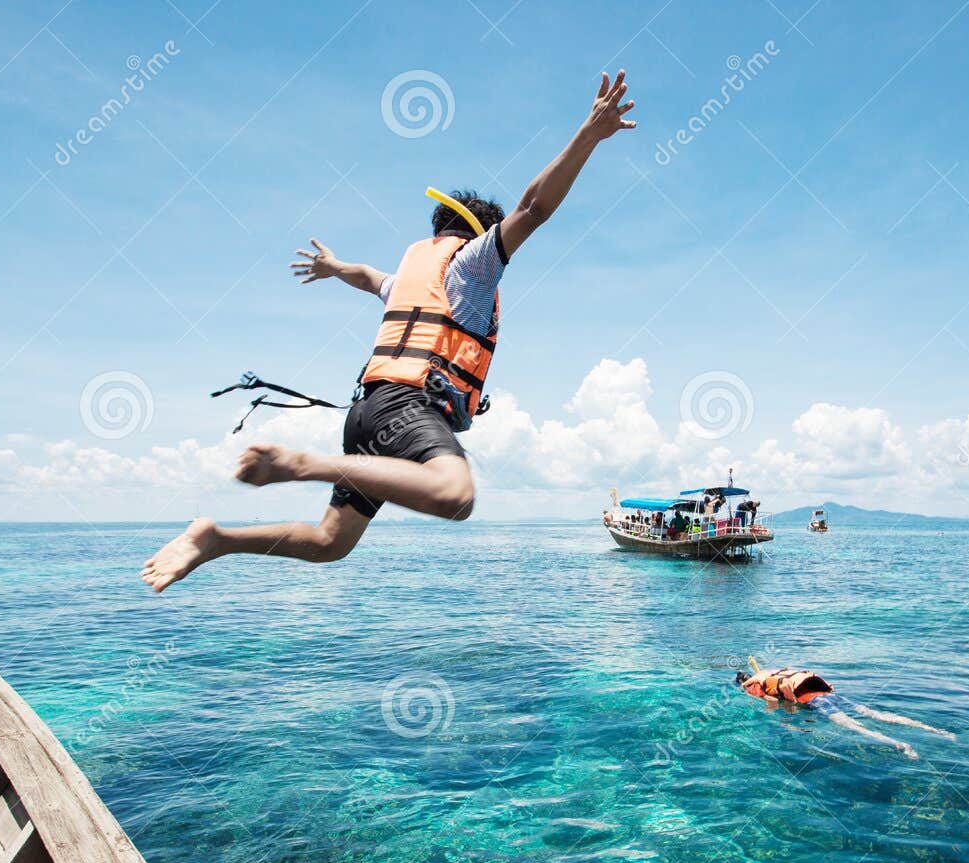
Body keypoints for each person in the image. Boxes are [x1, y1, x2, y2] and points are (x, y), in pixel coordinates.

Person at [142, 72, 638, 592]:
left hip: (366, 412)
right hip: (407, 407)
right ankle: (304, 464)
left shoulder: (409, 279)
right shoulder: (472, 263)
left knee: (329, 543)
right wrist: (589, 134)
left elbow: (367, 277)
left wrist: (334, 266)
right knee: (455, 495)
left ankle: (216, 539)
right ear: (478, 232)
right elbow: (533, 208)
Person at [735, 666, 954, 761]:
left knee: (853, 726)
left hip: (816, 702)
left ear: (745, 683)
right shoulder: (769, 672)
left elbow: (781, 704)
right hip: (829, 694)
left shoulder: (753, 687)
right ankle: (936, 730)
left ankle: (898, 744)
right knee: (874, 714)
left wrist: (786, 716)